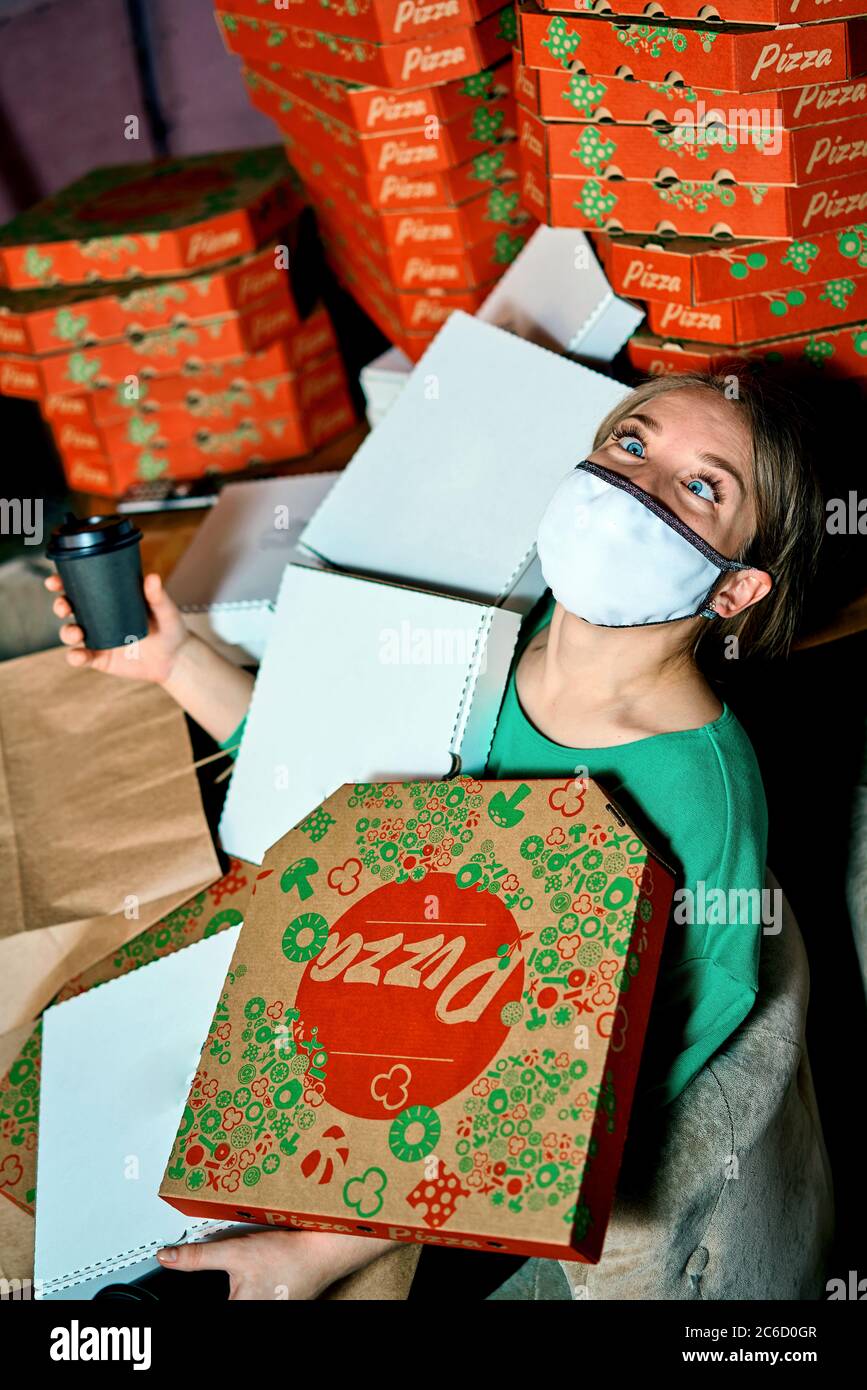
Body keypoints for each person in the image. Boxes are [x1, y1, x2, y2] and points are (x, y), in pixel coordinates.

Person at [45, 371, 825, 1300]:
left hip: (466, 1168)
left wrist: (319, 1251)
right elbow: (329, 792)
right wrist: (172, 659)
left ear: (734, 590)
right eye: (629, 443)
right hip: (365, 1010)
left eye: (702, 487)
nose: (634, 490)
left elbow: (591, 1096)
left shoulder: (698, 794)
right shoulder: (480, 636)